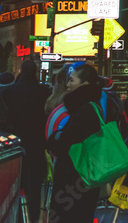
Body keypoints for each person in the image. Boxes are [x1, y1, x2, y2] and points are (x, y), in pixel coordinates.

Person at [47, 62, 111, 222]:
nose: (67, 84)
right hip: (82, 182)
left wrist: (56, 137)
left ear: (85, 83)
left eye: (71, 80)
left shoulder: (84, 110)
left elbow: (64, 145)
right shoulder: (91, 106)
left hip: (74, 184)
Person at [2, 60, 51, 223]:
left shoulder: (9, 91)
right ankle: (34, 215)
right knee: (35, 185)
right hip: (37, 143)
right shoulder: (43, 91)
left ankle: (17, 216)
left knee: (15, 182)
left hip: (15, 143)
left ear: (21, 71)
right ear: (36, 71)